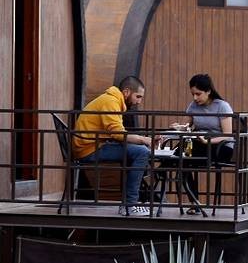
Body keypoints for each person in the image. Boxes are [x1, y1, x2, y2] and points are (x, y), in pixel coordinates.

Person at [72, 76, 156, 216]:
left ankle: (128, 203)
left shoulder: (112, 100)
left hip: (93, 144)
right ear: (127, 92)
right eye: (138, 96)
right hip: (89, 149)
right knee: (141, 152)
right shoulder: (111, 102)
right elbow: (118, 134)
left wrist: (142, 140)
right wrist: (144, 140)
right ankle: (130, 206)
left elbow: (117, 134)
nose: (138, 102)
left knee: (136, 152)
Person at [169, 73, 236, 210]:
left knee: (183, 159)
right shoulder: (193, 106)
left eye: (198, 94)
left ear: (208, 91)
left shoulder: (222, 106)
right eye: (193, 94)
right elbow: (188, 126)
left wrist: (207, 141)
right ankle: (195, 202)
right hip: (199, 144)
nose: (195, 98)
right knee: (183, 158)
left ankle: (166, 165)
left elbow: (227, 135)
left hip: (220, 146)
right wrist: (180, 127)